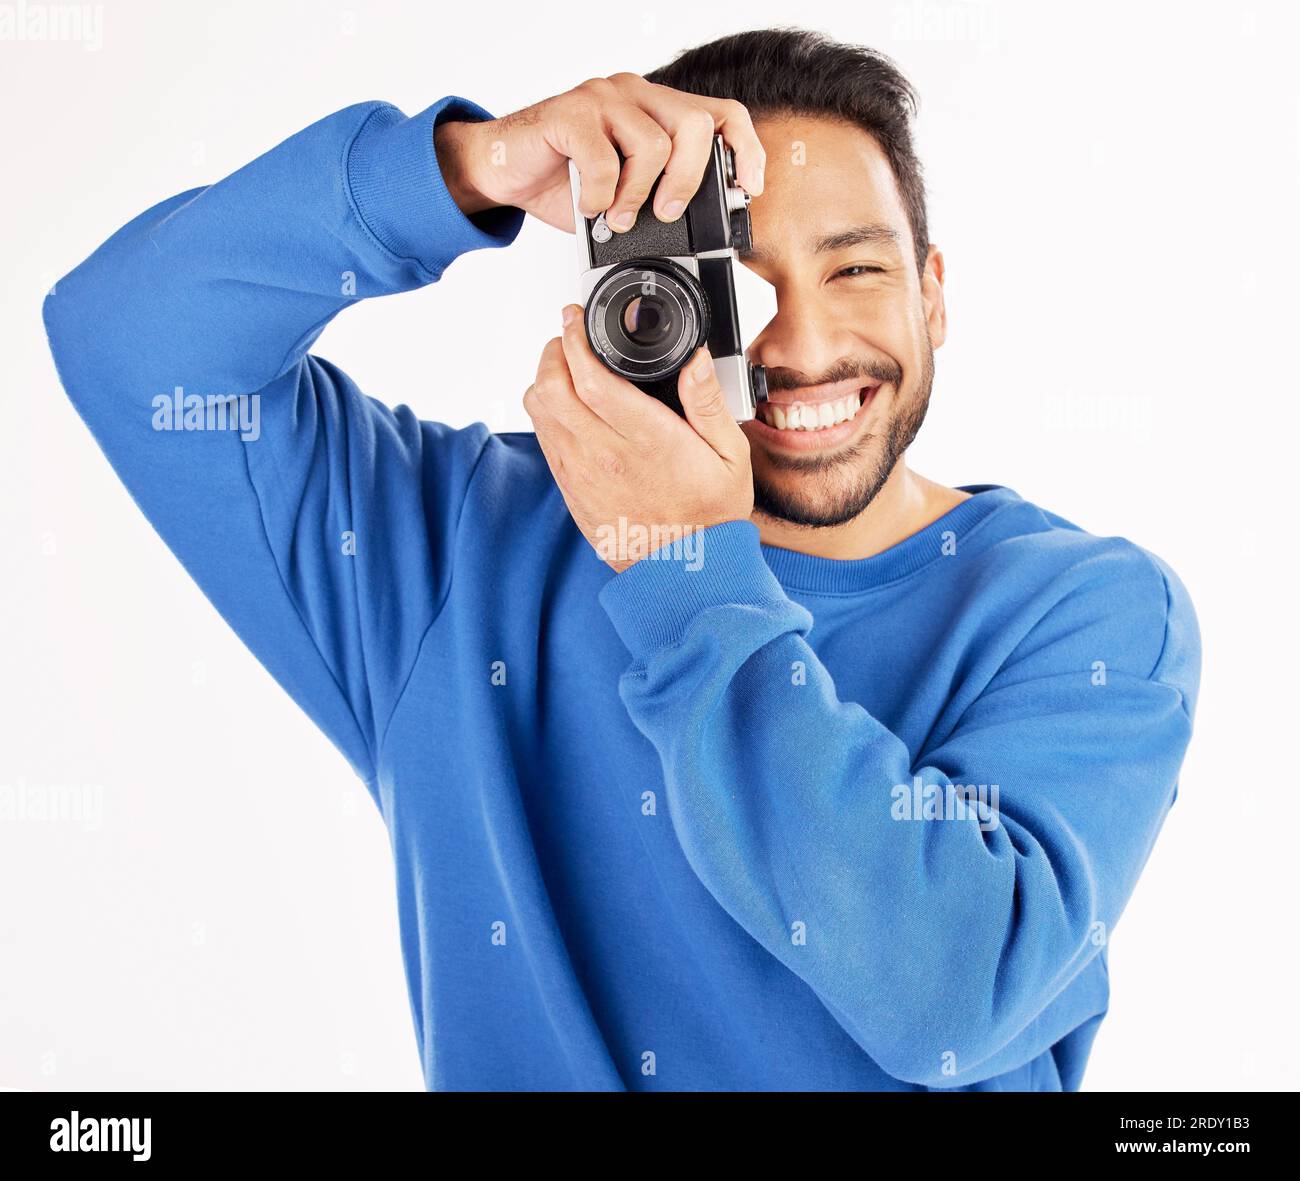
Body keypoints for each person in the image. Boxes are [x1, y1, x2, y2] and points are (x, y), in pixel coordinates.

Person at [43, 28, 1200, 1091]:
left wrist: (687, 568)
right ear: (641, 298)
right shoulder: (456, 548)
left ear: (932, 295)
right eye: (736, 291)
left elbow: (951, 994)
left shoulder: (1083, 611)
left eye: (855, 270)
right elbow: (125, 333)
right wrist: (456, 174)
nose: (798, 347)